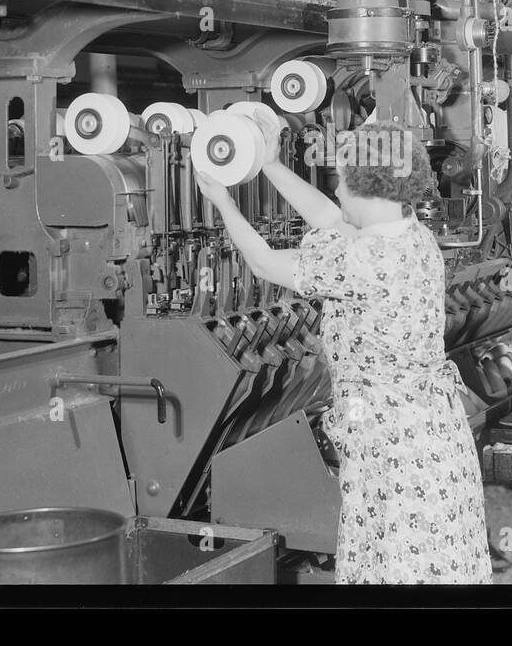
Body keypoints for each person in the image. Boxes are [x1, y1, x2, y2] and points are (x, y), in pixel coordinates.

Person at [194, 119, 492, 585]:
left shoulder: (360, 261)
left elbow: (263, 261)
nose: (338, 193)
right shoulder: (412, 236)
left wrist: (222, 201)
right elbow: (333, 222)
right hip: (434, 433)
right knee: (439, 560)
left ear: (362, 185)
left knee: (394, 563)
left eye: (340, 181)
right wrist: (269, 165)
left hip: (391, 447)